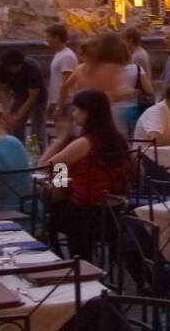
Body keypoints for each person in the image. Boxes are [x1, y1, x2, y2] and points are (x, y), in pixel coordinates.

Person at [41, 89, 134, 257]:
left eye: (76, 110)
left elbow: (43, 166)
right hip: (115, 208)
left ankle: (68, 259)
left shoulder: (85, 142)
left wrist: (59, 139)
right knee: (61, 179)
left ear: (88, 113)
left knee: (50, 211)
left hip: (89, 213)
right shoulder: (119, 139)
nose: (74, 114)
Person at [0, 48, 48, 150]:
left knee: (36, 129)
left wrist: (18, 116)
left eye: (15, 67)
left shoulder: (32, 69)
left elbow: (32, 96)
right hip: (18, 95)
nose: (12, 70)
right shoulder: (1, 69)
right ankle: (18, 150)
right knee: (15, 127)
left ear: (21, 64)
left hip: (38, 99)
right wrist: (6, 111)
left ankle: (37, 154)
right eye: (9, 67)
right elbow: (4, 90)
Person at [46, 24, 77, 125]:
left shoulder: (66, 56)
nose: (47, 40)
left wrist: (59, 104)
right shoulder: (59, 54)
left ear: (57, 38)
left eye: (49, 37)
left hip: (65, 103)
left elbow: (66, 82)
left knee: (64, 135)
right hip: (58, 101)